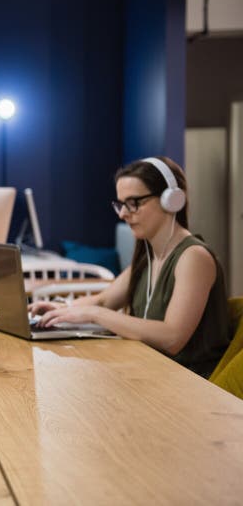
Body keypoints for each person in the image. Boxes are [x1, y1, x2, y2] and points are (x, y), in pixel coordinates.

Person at [30, 156, 232, 377]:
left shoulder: (194, 257)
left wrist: (94, 314)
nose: (123, 213)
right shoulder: (148, 257)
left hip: (189, 382)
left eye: (133, 202)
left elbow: (172, 337)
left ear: (171, 200)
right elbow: (104, 301)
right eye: (121, 204)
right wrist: (61, 309)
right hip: (152, 372)